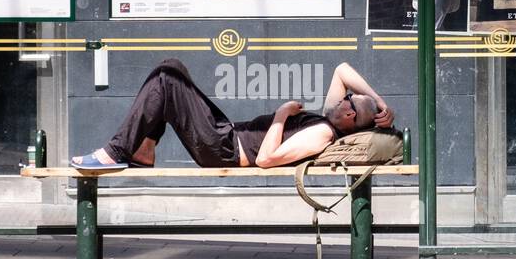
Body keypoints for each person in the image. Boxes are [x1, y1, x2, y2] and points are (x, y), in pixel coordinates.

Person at [72, 59, 393, 171]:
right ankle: (144, 149)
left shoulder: (323, 132)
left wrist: (281, 115)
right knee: (172, 68)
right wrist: (381, 104)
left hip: (223, 149)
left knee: (165, 81)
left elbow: (267, 159)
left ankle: (115, 153)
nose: (344, 97)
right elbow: (342, 70)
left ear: (349, 114)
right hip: (225, 133)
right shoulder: (329, 116)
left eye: (349, 99)